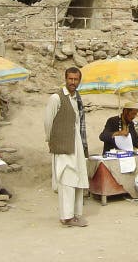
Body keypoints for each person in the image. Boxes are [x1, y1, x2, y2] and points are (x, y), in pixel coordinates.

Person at [44, 67, 89, 227]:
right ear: (65, 79)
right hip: (63, 145)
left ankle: (76, 214)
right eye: (70, 79)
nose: (73, 82)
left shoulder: (77, 98)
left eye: (76, 80)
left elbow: (79, 123)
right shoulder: (56, 98)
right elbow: (48, 122)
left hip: (76, 145)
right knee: (66, 180)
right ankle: (66, 217)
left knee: (77, 179)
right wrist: (51, 140)